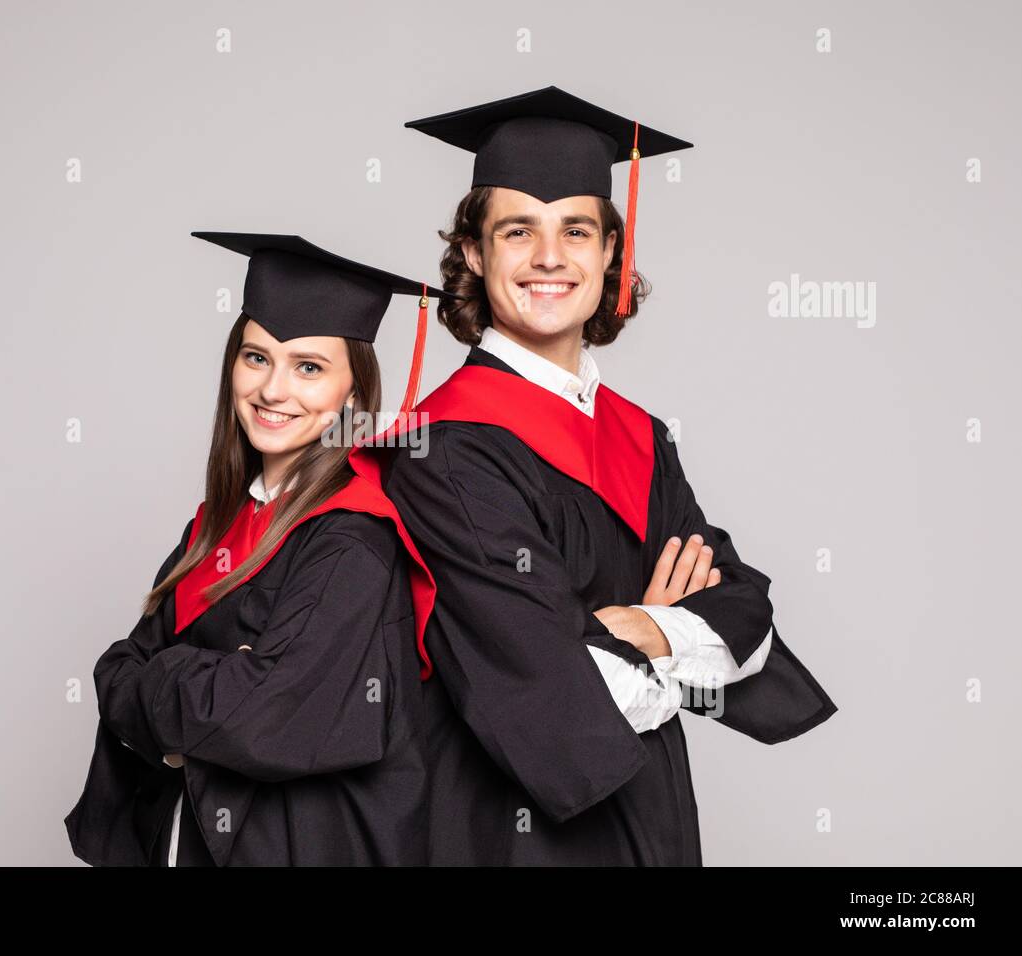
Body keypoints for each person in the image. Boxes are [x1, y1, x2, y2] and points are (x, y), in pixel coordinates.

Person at [349, 86, 838, 865]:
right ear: (473, 253)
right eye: (518, 231)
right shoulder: (441, 449)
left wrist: (631, 629)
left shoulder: (639, 435)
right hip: (512, 833)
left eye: (576, 230)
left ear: (610, 251)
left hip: (655, 811)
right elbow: (547, 692)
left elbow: (745, 611)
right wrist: (673, 639)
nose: (550, 258)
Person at [64, 232, 451, 866]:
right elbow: (114, 673)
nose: (273, 390)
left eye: (309, 367)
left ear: (352, 397)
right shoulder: (217, 526)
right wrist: (209, 689)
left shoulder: (354, 537)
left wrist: (171, 679)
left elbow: (267, 718)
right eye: (255, 357)